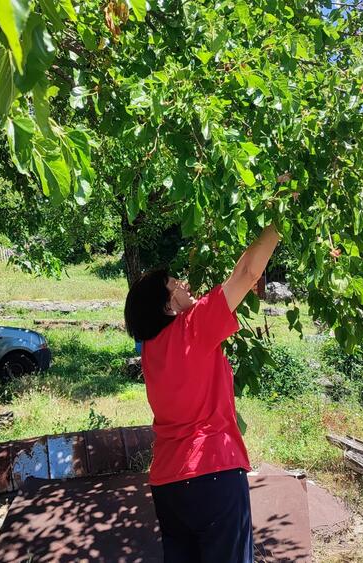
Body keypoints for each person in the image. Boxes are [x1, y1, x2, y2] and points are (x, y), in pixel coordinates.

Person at [123, 224, 280, 563]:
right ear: (168, 304)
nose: (184, 283)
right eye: (174, 283)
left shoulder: (151, 349)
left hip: (168, 484)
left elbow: (238, 274)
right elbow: (247, 273)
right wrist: (279, 219)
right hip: (213, 472)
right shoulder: (193, 325)